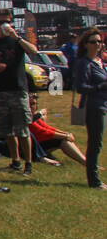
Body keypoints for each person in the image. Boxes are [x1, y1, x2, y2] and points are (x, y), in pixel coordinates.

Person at [0, 13, 40, 176]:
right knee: (7, 130)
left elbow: (33, 50)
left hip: (18, 90)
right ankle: (15, 161)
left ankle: (28, 163)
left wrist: (17, 37)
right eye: (2, 22)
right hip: (0, 91)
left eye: (8, 22)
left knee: (22, 130)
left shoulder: (16, 42)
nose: (5, 25)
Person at [72, 28, 107, 190]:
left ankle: (95, 178)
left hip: (102, 105)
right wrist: (101, 85)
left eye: (100, 41)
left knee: (98, 143)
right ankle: (94, 181)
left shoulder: (99, 62)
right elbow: (81, 87)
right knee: (95, 144)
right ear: (86, 44)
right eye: (94, 42)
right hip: (93, 107)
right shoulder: (84, 63)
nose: (98, 44)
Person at [28, 92, 89, 168]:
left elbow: (47, 127)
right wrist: (65, 136)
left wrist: (66, 133)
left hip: (40, 143)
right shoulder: (27, 118)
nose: (33, 106)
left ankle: (86, 162)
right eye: (30, 104)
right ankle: (86, 163)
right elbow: (43, 132)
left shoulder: (34, 115)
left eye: (34, 104)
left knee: (65, 139)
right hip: (35, 149)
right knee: (63, 140)